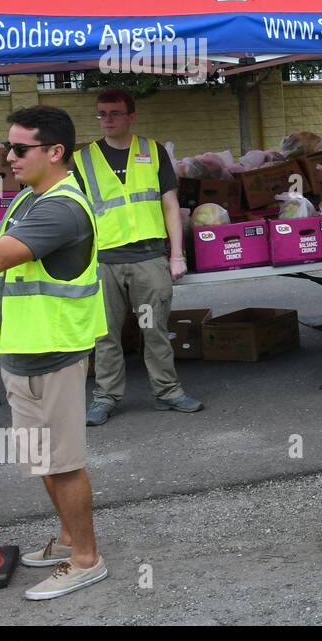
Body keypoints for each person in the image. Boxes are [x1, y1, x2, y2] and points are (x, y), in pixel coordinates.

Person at [0, 106, 109, 600]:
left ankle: (86, 558)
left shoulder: (61, 206)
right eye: (7, 147)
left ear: (54, 152)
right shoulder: (28, 200)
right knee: (43, 460)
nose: (8, 157)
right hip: (23, 349)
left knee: (63, 463)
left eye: (19, 149)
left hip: (53, 351)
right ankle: (66, 540)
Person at [75, 90, 199, 426]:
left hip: (148, 259)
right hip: (104, 261)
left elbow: (170, 205)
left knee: (153, 329)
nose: (108, 119)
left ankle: (167, 392)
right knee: (106, 336)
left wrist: (177, 255)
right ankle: (105, 398)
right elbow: (75, 213)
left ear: (131, 116)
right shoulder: (83, 159)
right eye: (102, 114)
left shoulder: (152, 151)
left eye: (115, 113)